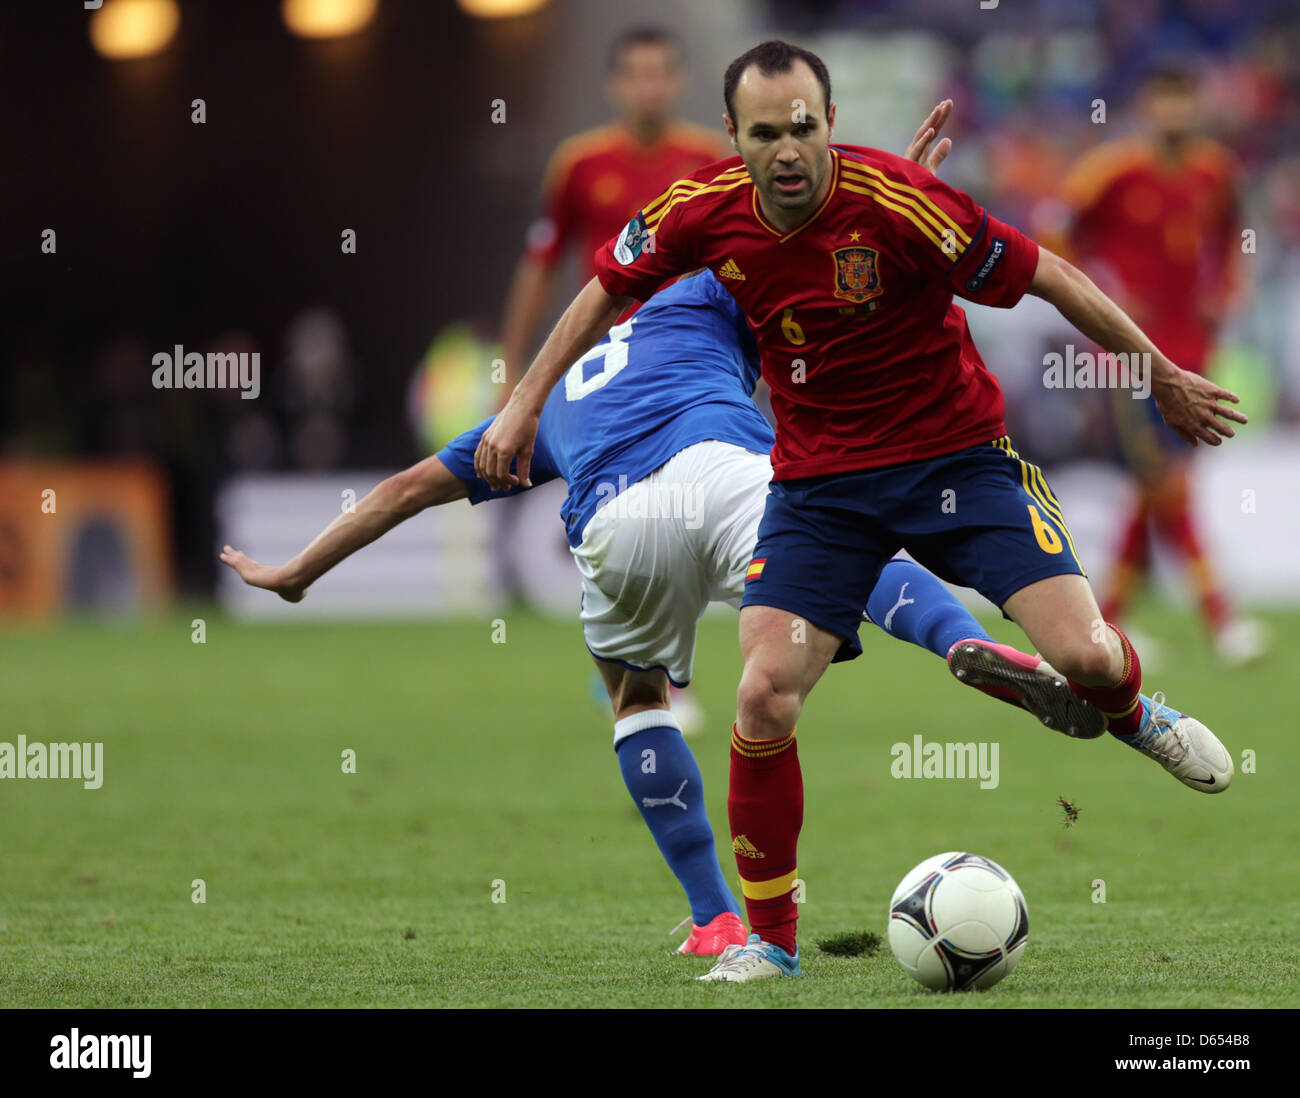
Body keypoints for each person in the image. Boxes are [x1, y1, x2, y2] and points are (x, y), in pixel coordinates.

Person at [220, 110, 1104, 957]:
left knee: (637, 702)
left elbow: (405, 492)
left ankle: (715, 918)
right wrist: (893, 196)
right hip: (717, 469)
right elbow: (816, 239)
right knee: (849, 546)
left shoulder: (551, 392)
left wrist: (300, 571)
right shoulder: (709, 284)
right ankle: (968, 642)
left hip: (611, 529)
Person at [473, 40, 1247, 982]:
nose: (788, 148)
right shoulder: (699, 211)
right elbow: (601, 287)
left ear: (829, 122)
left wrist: (1157, 370)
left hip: (957, 465)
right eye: (766, 133)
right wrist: (519, 403)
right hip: (818, 491)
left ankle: (1131, 713)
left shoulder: (901, 201)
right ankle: (770, 943)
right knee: (761, 696)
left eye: (805, 126)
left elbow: (1049, 273)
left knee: (1084, 655)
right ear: (734, 137)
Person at [497, 26, 729, 721]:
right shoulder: (579, 164)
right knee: (615, 517)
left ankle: (650, 678)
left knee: (677, 516)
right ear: (615, 85)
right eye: (636, 74)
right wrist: (512, 369)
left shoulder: (709, 160)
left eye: (661, 73)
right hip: (605, 368)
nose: (648, 86)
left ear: (678, 80)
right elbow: (541, 263)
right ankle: (631, 673)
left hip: (688, 366)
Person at [1057, 64, 1263, 665]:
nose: (1173, 114)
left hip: (1195, 352)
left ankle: (1109, 621)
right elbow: (1057, 234)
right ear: (1147, 106)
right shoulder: (1112, 172)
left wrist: (1224, 293)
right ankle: (1221, 617)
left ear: (1196, 105)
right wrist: (1103, 290)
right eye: (1163, 102)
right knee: (1165, 481)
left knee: (1158, 488)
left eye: (1183, 102)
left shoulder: (1215, 171)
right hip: (1130, 353)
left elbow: (1233, 238)